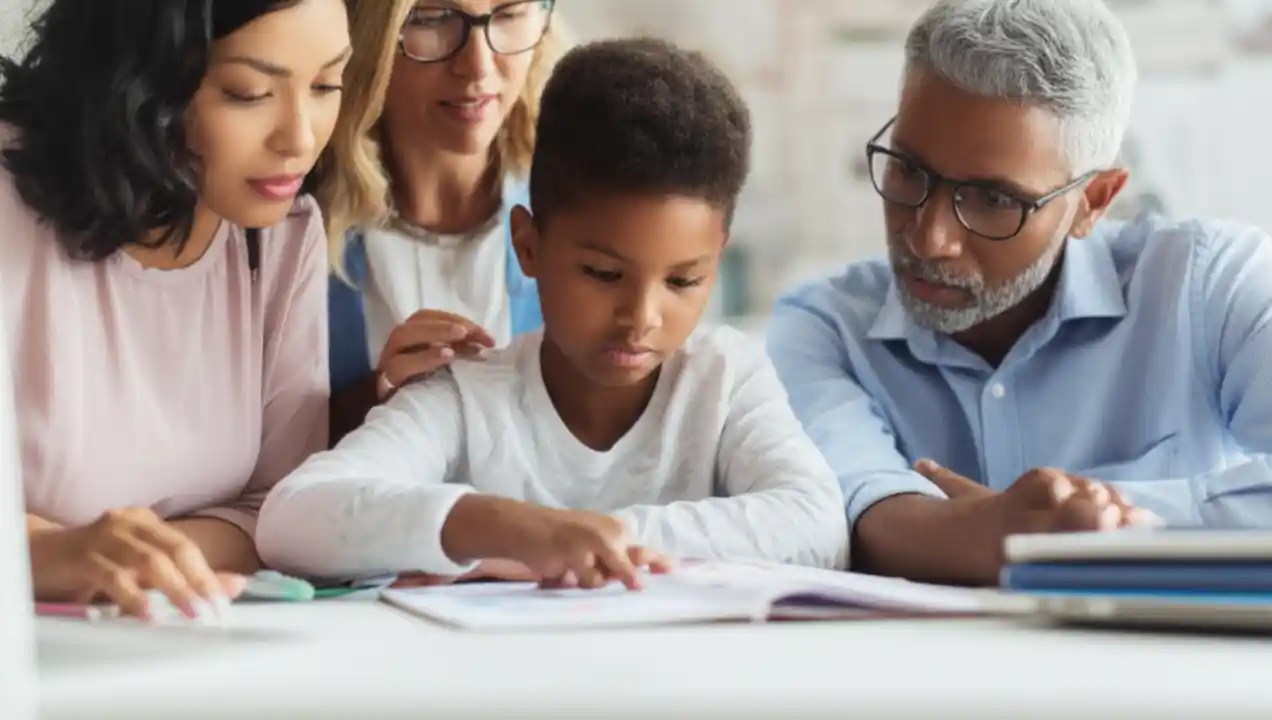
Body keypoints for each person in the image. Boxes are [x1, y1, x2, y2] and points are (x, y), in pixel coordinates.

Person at [257, 38, 849, 588]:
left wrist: (587, 536)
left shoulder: (726, 378)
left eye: (683, 280)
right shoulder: (465, 394)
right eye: (604, 274)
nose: (641, 316)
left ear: (718, 259)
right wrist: (511, 529)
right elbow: (292, 520)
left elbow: (818, 526)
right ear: (529, 246)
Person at [768, 0, 1272, 586]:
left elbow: (917, 532)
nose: (929, 238)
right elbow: (849, 518)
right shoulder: (820, 325)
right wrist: (1006, 527)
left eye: (993, 200)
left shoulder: (1210, 281)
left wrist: (1084, 516)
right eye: (909, 172)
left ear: (1094, 202)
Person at [0, 0, 350, 620]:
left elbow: (282, 510)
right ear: (139, 82)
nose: (300, 137)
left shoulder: (283, 235)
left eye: (326, 85)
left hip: (179, 644)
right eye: (248, 93)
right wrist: (45, 553)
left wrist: (140, 563)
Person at [319, 0, 562, 442]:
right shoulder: (292, 226)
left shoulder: (576, 209)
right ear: (371, 34)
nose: (477, 66)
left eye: (509, 15)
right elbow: (266, 463)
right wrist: (380, 398)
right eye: (432, 19)